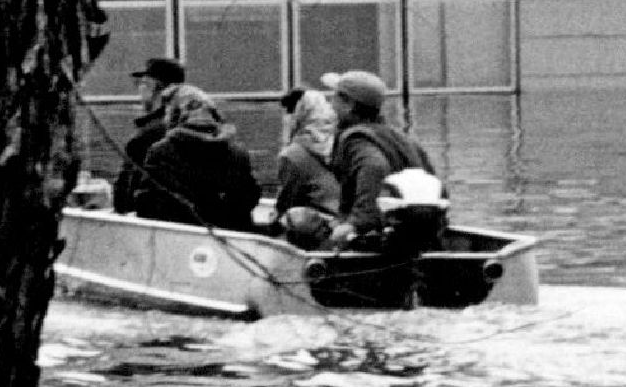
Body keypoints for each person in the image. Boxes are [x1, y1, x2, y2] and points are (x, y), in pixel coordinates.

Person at [112, 56, 260, 229]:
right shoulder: (237, 152)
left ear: (155, 87)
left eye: (142, 83)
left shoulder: (154, 145)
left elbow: (131, 202)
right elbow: (247, 199)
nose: (139, 90)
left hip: (175, 236)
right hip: (228, 235)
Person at [324, 70, 447, 254]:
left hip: (380, 241)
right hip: (424, 237)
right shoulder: (401, 138)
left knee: (300, 220)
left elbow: (374, 167)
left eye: (334, 98)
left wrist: (356, 223)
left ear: (348, 104)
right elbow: (435, 182)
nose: (330, 104)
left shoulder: (355, 139)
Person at [267, 86, 344, 249]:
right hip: (344, 226)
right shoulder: (342, 144)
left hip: (314, 233)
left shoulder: (293, 155)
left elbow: (286, 203)